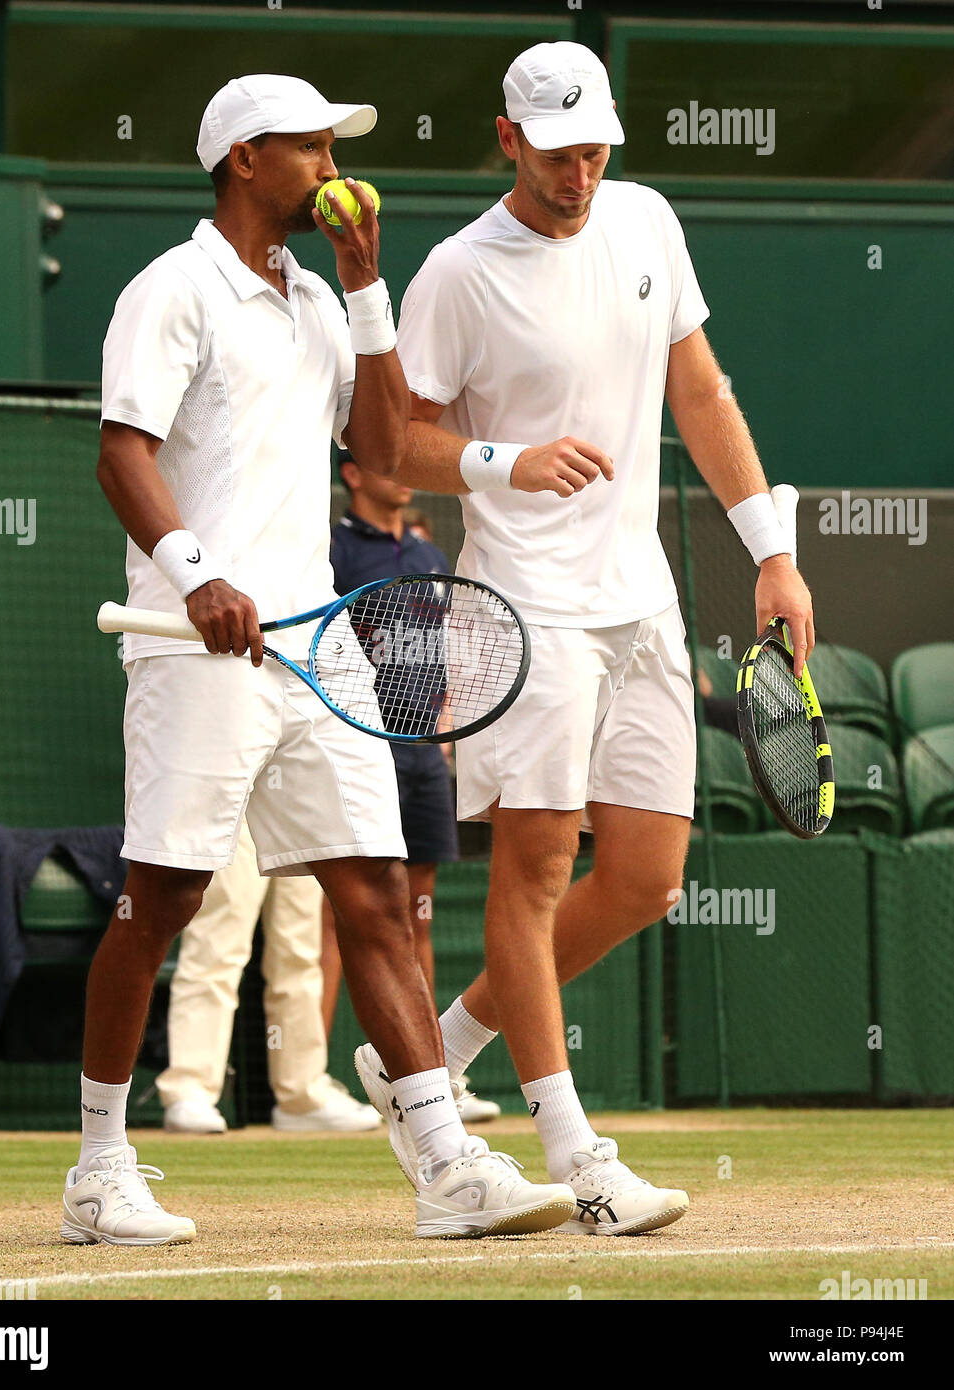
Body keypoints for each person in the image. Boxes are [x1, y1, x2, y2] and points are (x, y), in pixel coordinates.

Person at [64, 72, 576, 1246]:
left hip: (314, 643)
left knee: (377, 897)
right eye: (310, 148)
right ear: (245, 158)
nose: (331, 169)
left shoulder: (315, 297)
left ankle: (446, 1167)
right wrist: (198, 576)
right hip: (195, 644)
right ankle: (99, 1164)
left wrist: (363, 283)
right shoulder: (171, 289)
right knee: (166, 898)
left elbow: (389, 448)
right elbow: (120, 454)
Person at [357, 42, 815, 1236]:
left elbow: (700, 389)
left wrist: (770, 549)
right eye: (558, 153)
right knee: (535, 871)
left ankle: (440, 1048)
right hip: (520, 604)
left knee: (648, 877)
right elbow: (389, 446)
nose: (582, 171)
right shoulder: (456, 273)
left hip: (641, 603)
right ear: (508, 141)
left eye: (598, 147)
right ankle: (578, 1154)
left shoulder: (647, 221)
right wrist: (506, 462)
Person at [327, 450, 500, 1124]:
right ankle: (317, 1084)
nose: (400, 471)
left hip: (423, 755)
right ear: (352, 472)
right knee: (347, 910)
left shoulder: (431, 554)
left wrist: (448, 725)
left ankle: (429, 1076)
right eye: (383, 459)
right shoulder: (334, 550)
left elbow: (451, 652)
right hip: (354, 748)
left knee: (417, 911)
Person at [158, 821, 380, 1135]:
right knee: (217, 944)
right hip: (236, 798)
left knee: (300, 952)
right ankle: (189, 1089)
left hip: (297, 800)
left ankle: (302, 1095)